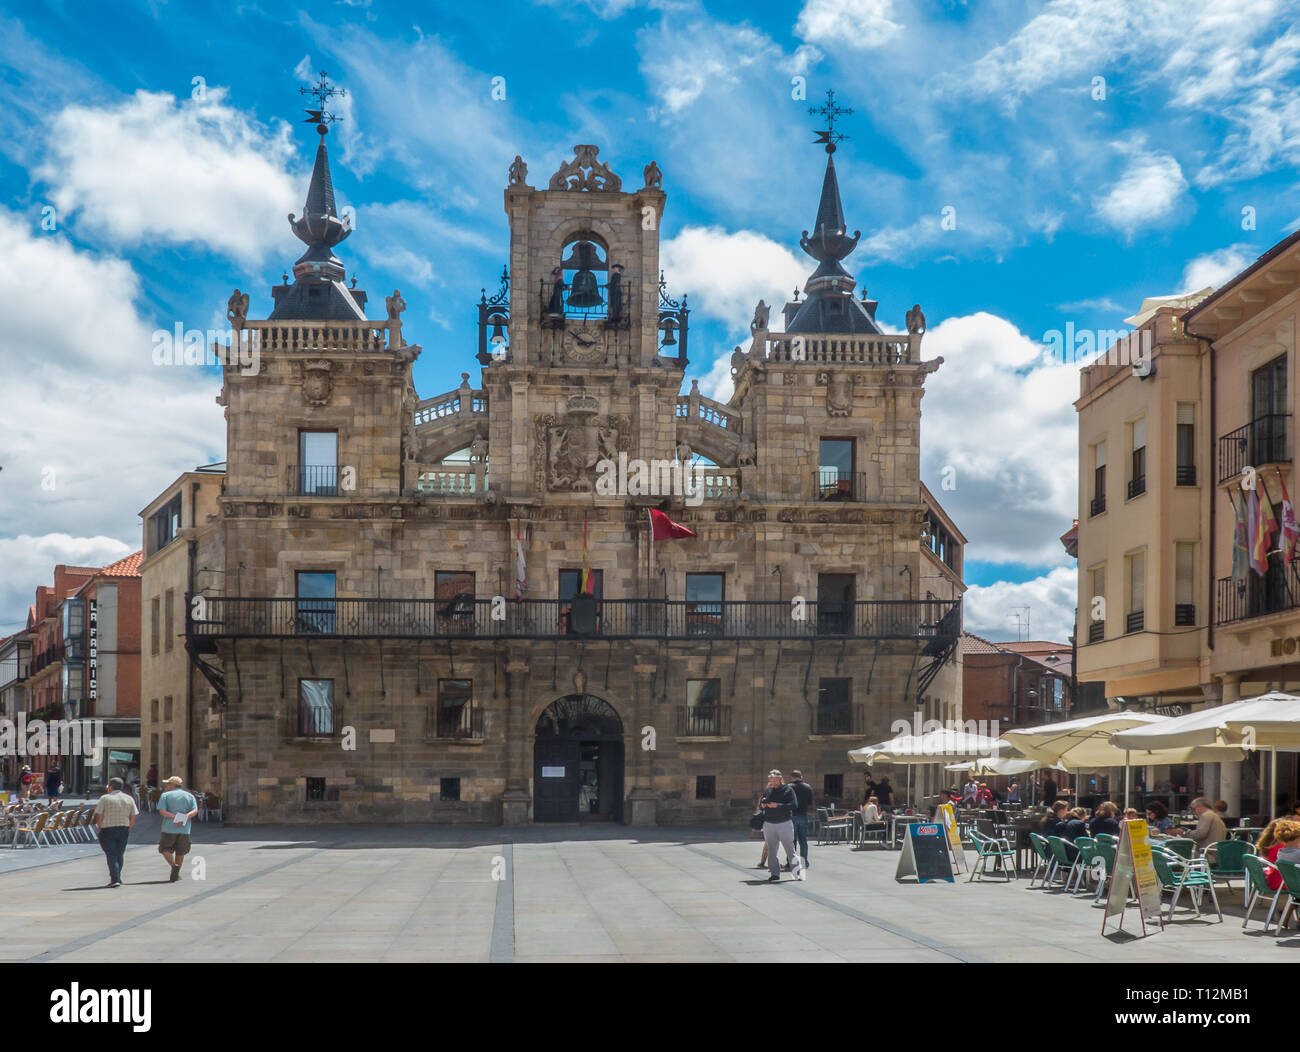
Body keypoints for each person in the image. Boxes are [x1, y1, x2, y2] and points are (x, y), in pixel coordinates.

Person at [758, 770, 804, 882]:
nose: (773, 782)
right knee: (771, 850)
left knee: (790, 849)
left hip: (784, 823)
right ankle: (774, 873)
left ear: (780, 778)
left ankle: (797, 874)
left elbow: (794, 805)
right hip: (769, 823)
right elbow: (761, 805)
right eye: (771, 780)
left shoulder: (788, 790)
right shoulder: (768, 790)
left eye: (775, 780)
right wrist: (763, 804)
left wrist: (777, 805)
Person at [93, 777, 138, 888]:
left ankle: (115, 879)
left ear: (111, 787)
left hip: (107, 829)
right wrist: (130, 826)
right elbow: (134, 814)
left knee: (111, 854)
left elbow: (99, 814)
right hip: (123, 828)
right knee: (119, 853)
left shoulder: (105, 798)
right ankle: (117, 876)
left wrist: (99, 827)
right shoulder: (129, 798)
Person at [156, 776, 199, 883]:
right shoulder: (189, 795)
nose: (166, 786)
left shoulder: (165, 795)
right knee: (181, 851)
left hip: (169, 827)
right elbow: (195, 810)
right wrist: (184, 817)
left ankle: (174, 866)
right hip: (184, 828)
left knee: (164, 849)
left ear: (172, 785)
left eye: (168, 784)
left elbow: (162, 811)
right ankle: (177, 872)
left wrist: (174, 817)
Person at [788, 769, 814, 871]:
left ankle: (792, 863)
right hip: (803, 815)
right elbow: (810, 802)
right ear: (801, 777)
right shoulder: (808, 787)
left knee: (792, 841)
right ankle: (804, 862)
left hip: (792, 815)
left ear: (792, 777)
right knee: (803, 840)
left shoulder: (789, 787)